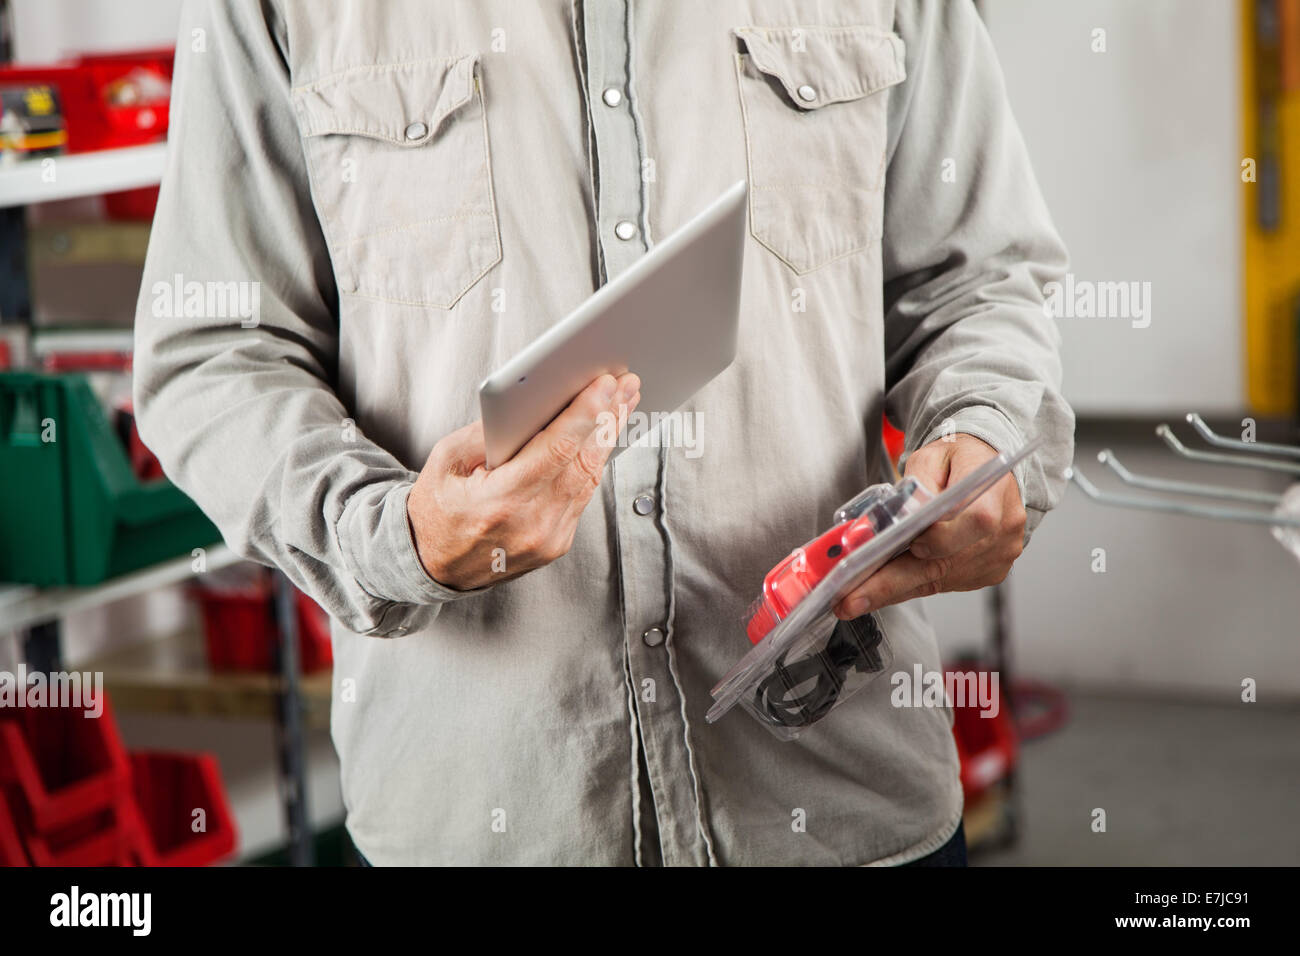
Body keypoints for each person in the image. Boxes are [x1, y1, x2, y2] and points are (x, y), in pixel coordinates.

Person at [135, 0, 1074, 866]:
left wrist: (982, 429)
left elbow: (978, 279)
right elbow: (217, 350)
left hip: (841, 804)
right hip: (487, 822)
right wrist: (399, 536)